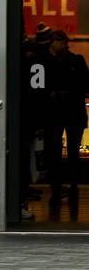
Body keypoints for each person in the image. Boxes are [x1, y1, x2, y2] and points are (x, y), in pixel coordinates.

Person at [43, 29, 89, 221]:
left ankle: (60, 187)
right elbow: (85, 85)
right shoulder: (75, 62)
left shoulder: (49, 62)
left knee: (58, 151)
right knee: (70, 153)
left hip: (60, 112)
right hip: (72, 112)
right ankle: (70, 186)